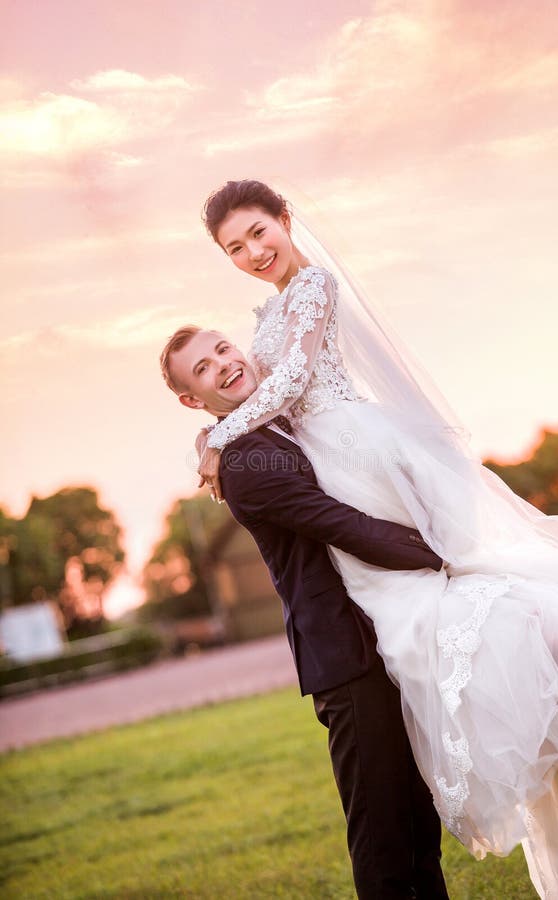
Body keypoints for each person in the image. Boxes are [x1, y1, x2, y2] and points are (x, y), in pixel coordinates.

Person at [193, 180, 558, 899]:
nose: (254, 252)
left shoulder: (313, 282)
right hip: (326, 459)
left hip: (356, 451)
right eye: (235, 248)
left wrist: (215, 437)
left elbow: (287, 381)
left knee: (462, 587)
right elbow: (259, 383)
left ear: (286, 220)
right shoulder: (263, 315)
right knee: (432, 607)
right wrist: (213, 426)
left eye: (260, 232)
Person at [160, 327, 450, 899]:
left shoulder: (265, 426)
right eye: (201, 369)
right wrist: (444, 556)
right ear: (192, 399)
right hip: (345, 657)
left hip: (383, 630)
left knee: (419, 826)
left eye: (221, 349)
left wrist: (213, 437)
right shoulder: (246, 462)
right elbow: (345, 526)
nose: (222, 364)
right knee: (383, 840)